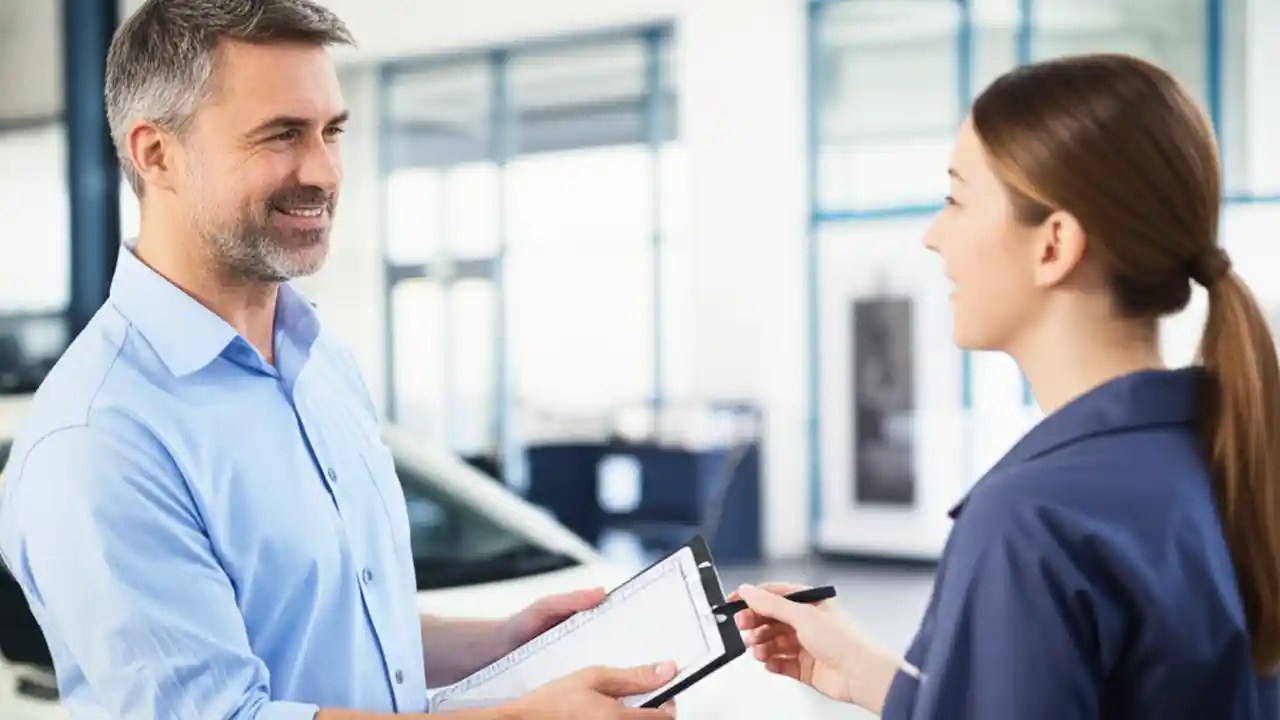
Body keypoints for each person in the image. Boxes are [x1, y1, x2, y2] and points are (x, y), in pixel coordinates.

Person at [0, 1, 676, 718]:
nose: (323, 171)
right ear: (155, 153)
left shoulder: (318, 364)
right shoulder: (98, 438)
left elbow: (334, 624)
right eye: (282, 134)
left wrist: (502, 640)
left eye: (332, 131)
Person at [734, 54, 1280, 718]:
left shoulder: (1032, 520)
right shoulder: (1228, 455)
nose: (934, 237)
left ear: (1053, 244)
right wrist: (876, 678)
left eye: (957, 199)